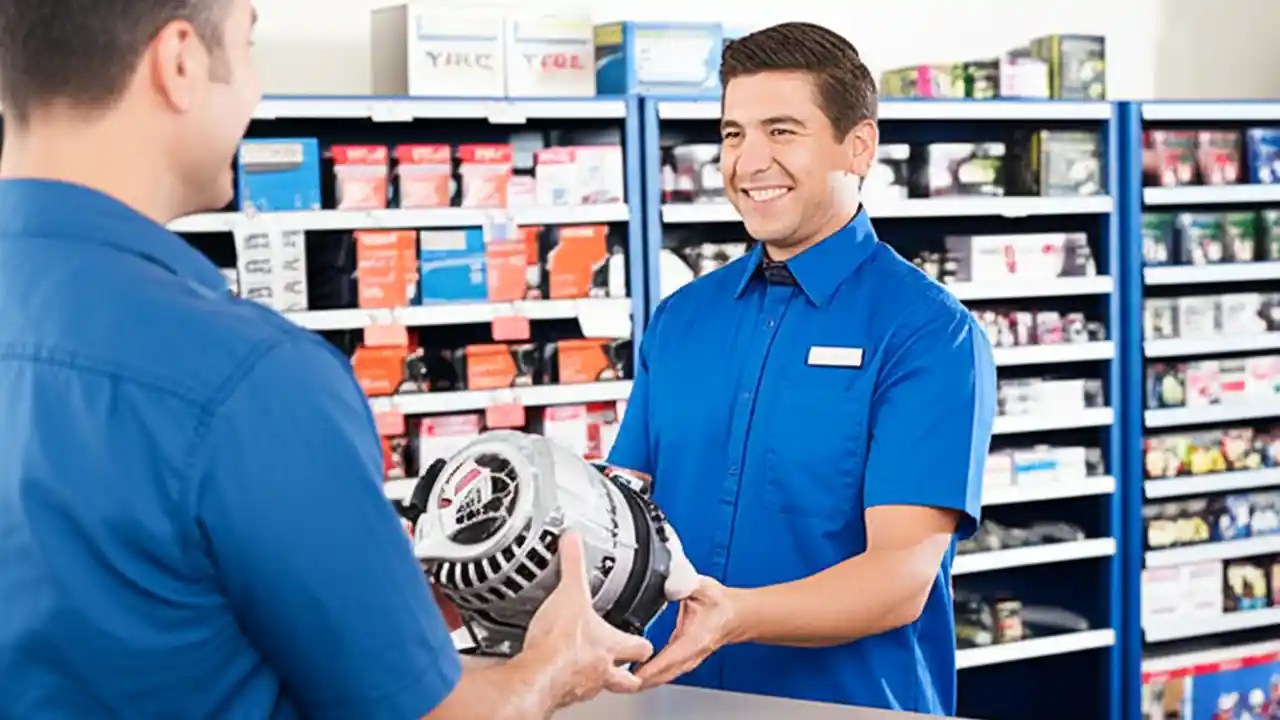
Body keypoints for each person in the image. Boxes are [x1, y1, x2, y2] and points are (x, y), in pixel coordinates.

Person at [0, 1, 652, 718]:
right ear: (179, 62)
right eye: (248, 48)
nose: (253, 91)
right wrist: (554, 663)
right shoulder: (250, 378)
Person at [608, 22, 997, 715]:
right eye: (733, 134)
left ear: (859, 146)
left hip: (851, 706)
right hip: (672, 699)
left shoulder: (928, 334)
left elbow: (899, 579)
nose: (749, 161)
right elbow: (621, 510)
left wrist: (734, 616)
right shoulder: (681, 320)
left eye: (782, 131)